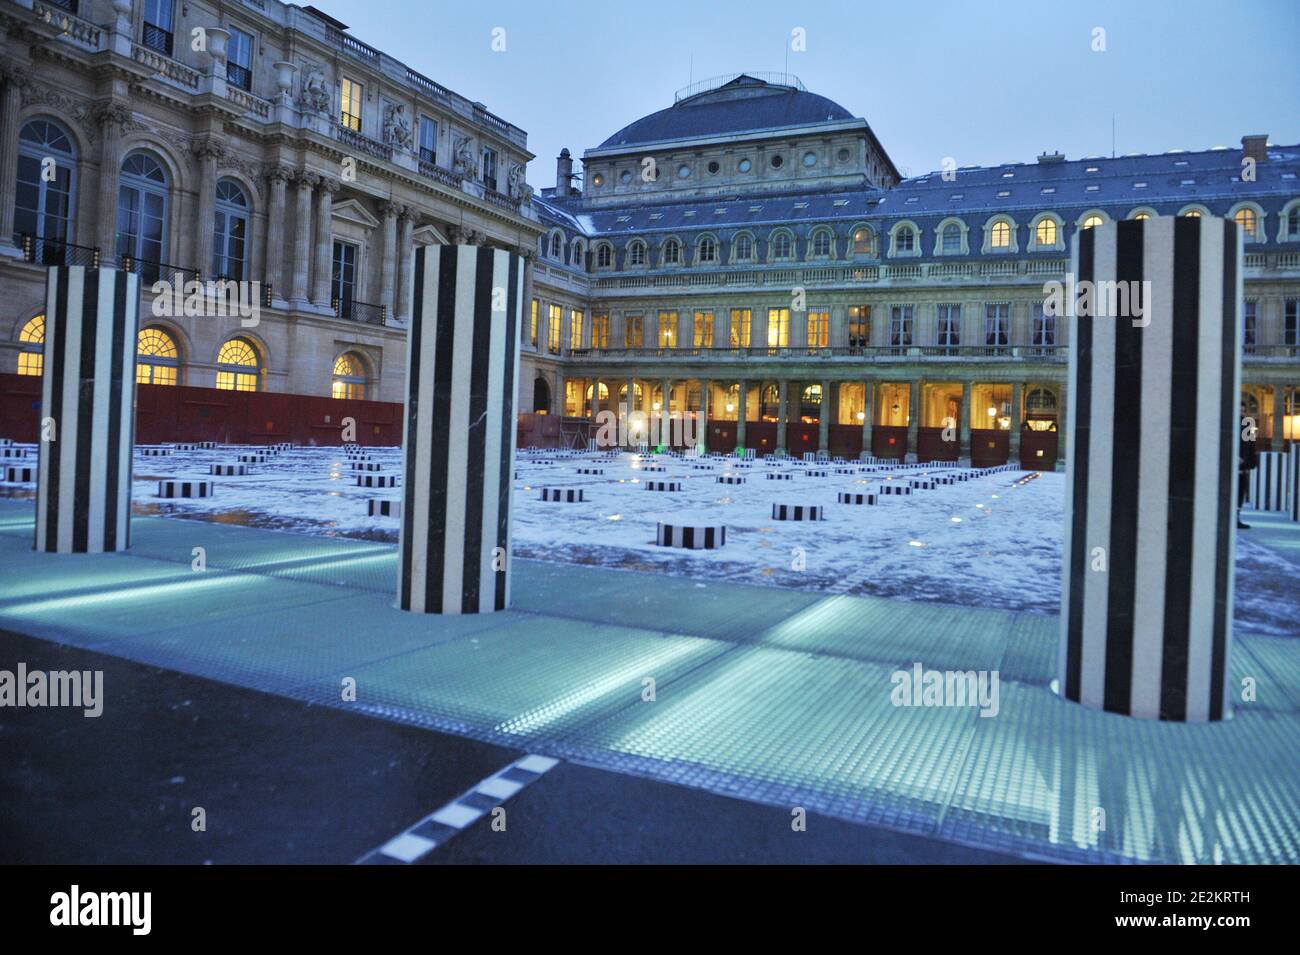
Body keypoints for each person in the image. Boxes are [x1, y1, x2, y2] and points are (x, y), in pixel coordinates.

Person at [1238, 402, 1258, 530]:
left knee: (1241, 491)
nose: (1241, 412)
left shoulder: (1248, 423)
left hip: (1242, 464)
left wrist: (1245, 461)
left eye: (1243, 410)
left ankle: (1236, 517)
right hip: (1236, 462)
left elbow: (1250, 444)